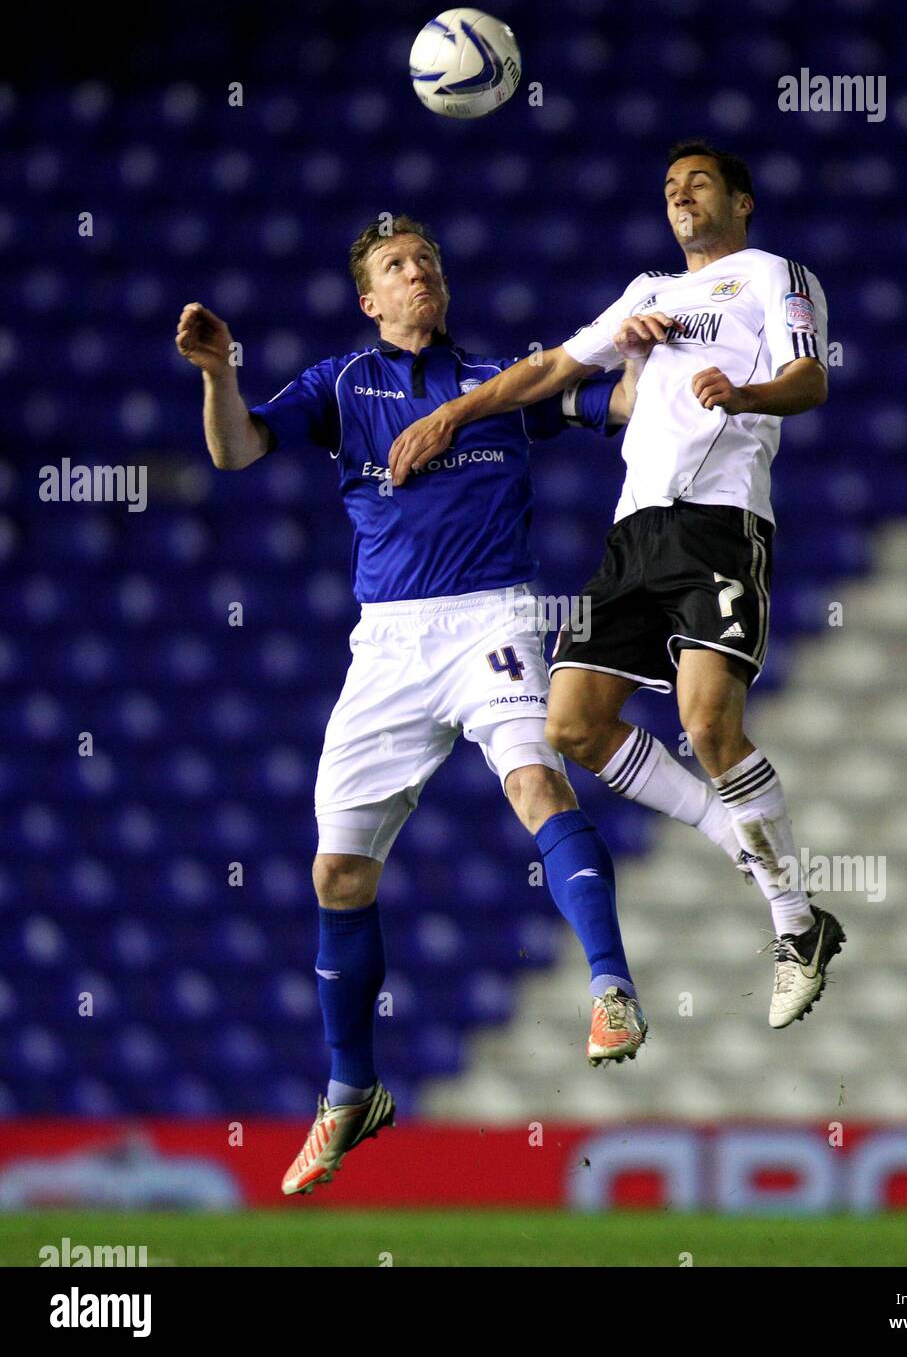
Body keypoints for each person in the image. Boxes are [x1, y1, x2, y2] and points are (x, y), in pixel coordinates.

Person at [176, 215, 646, 1198]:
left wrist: (651, 351)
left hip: (494, 620)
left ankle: (611, 988)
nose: (417, 270)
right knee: (338, 872)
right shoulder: (344, 384)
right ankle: (352, 1088)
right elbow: (236, 454)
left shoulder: (502, 384)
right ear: (369, 301)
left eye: (427, 259)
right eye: (396, 265)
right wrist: (219, 377)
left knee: (534, 780)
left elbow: (621, 408)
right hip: (388, 640)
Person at [389, 141, 847, 1029]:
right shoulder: (647, 295)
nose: (680, 196)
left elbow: (810, 378)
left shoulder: (772, 275)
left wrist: (744, 395)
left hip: (718, 523)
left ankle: (798, 925)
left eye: (700, 182)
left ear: (742, 201)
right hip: (633, 533)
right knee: (572, 726)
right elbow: (555, 369)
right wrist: (452, 411)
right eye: (670, 188)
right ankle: (730, 838)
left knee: (709, 725)